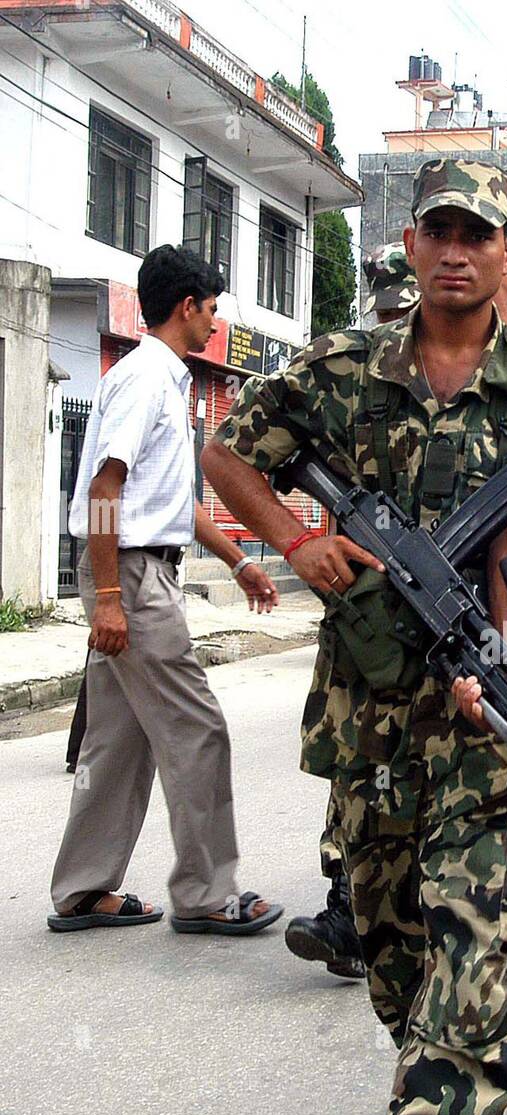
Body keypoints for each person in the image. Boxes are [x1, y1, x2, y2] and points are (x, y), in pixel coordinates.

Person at [200, 158, 507, 1115]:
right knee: (385, 932)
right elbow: (227, 453)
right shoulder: (335, 368)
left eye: (481, 232)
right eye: (439, 230)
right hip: (369, 704)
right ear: (410, 247)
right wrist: (292, 538)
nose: (458, 249)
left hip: (473, 711)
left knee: (472, 918)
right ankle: (419, 1057)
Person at [285, 241, 507, 986]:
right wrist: (301, 543)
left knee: (461, 852)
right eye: (393, 313)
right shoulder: (352, 375)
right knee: (364, 798)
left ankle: (459, 927)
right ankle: (353, 905)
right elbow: (257, 454)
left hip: (456, 626)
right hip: (370, 639)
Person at [48, 246, 283, 936]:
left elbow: (172, 499)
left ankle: (84, 889)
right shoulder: (149, 378)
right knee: (196, 729)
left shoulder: (157, 378)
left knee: (116, 742)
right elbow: (103, 491)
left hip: (134, 566)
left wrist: (239, 561)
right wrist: (113, 598)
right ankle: (208, 893)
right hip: (132, 574)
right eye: (211, 309)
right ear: (187, 307)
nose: (214, 324)